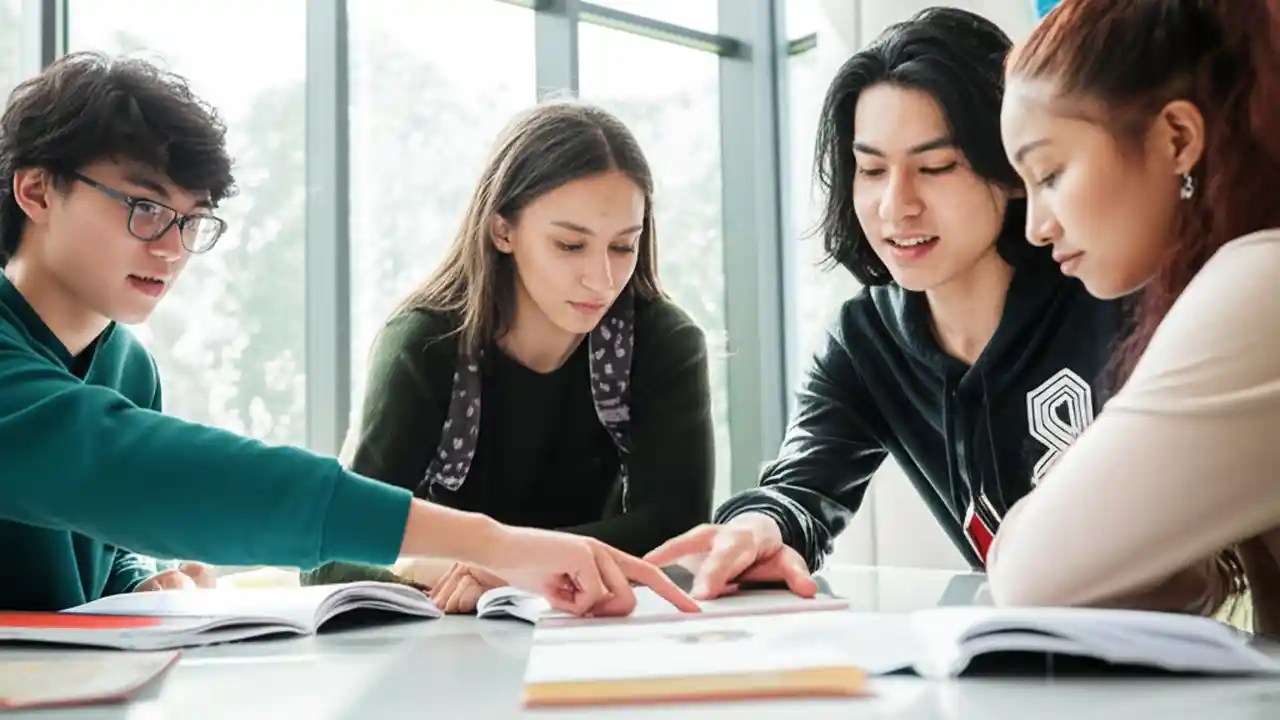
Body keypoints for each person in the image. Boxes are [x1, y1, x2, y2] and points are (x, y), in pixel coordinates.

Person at [0, 52, 697, 617]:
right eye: (145, 207)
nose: (172, 247)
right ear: (36, 192)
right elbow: (144, 471)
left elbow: (96, 522)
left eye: (191, 220)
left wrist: (136, 581)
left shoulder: (127, 365)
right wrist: (496, 546)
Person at [646, 7, 1123, 599]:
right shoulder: (866, 341)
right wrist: (757, 526)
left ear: (1010, 166)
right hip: (1017, 658)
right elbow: (800, 489)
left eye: (936, 167)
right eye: (871, 169)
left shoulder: (1106, 293)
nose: (896, 206)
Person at [303, 100, 714, 613]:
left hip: (592, 630)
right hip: (442, 645)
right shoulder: (424, 345)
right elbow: (330, 553)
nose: (602, 279)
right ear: (503, 230)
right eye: (569, 245)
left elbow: (676, 532)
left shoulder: (664, 343)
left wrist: (509, 568)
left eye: (622, 247)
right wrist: (475, 565)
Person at [988, 0, 1280, 634]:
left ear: (1177, 138)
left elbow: (1030, 575)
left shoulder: (1264, 281)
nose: (1037, 227)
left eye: (1050, 173)